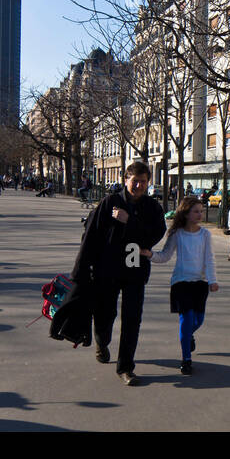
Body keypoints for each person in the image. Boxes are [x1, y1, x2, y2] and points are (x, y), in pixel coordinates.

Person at [72, 160, 166, 386]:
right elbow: (91, 237)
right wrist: (79, 271)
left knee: (132, 319)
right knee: (105, 314)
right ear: (126, 180)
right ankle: (101, 341)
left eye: (143, 182)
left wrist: (129, 221)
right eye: (135, 181)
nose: (139, 186)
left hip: (135, 270)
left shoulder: (153, 208)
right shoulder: (109, 203)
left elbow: (152, 237)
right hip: (108, 269)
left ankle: (125, 367)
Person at [150, 195, 218, 375]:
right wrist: (149, 255)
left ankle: (188, 336)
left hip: (200, 283)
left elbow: (209, 259)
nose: (199, 214)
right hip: (181, 283)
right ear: (186, 213)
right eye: (196, 211)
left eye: (201, 211)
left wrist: (212, 280)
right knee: (186, 320)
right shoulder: (177, 234)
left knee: (198, 320)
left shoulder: (205, 234)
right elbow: (164, 256)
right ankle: (186, 359)